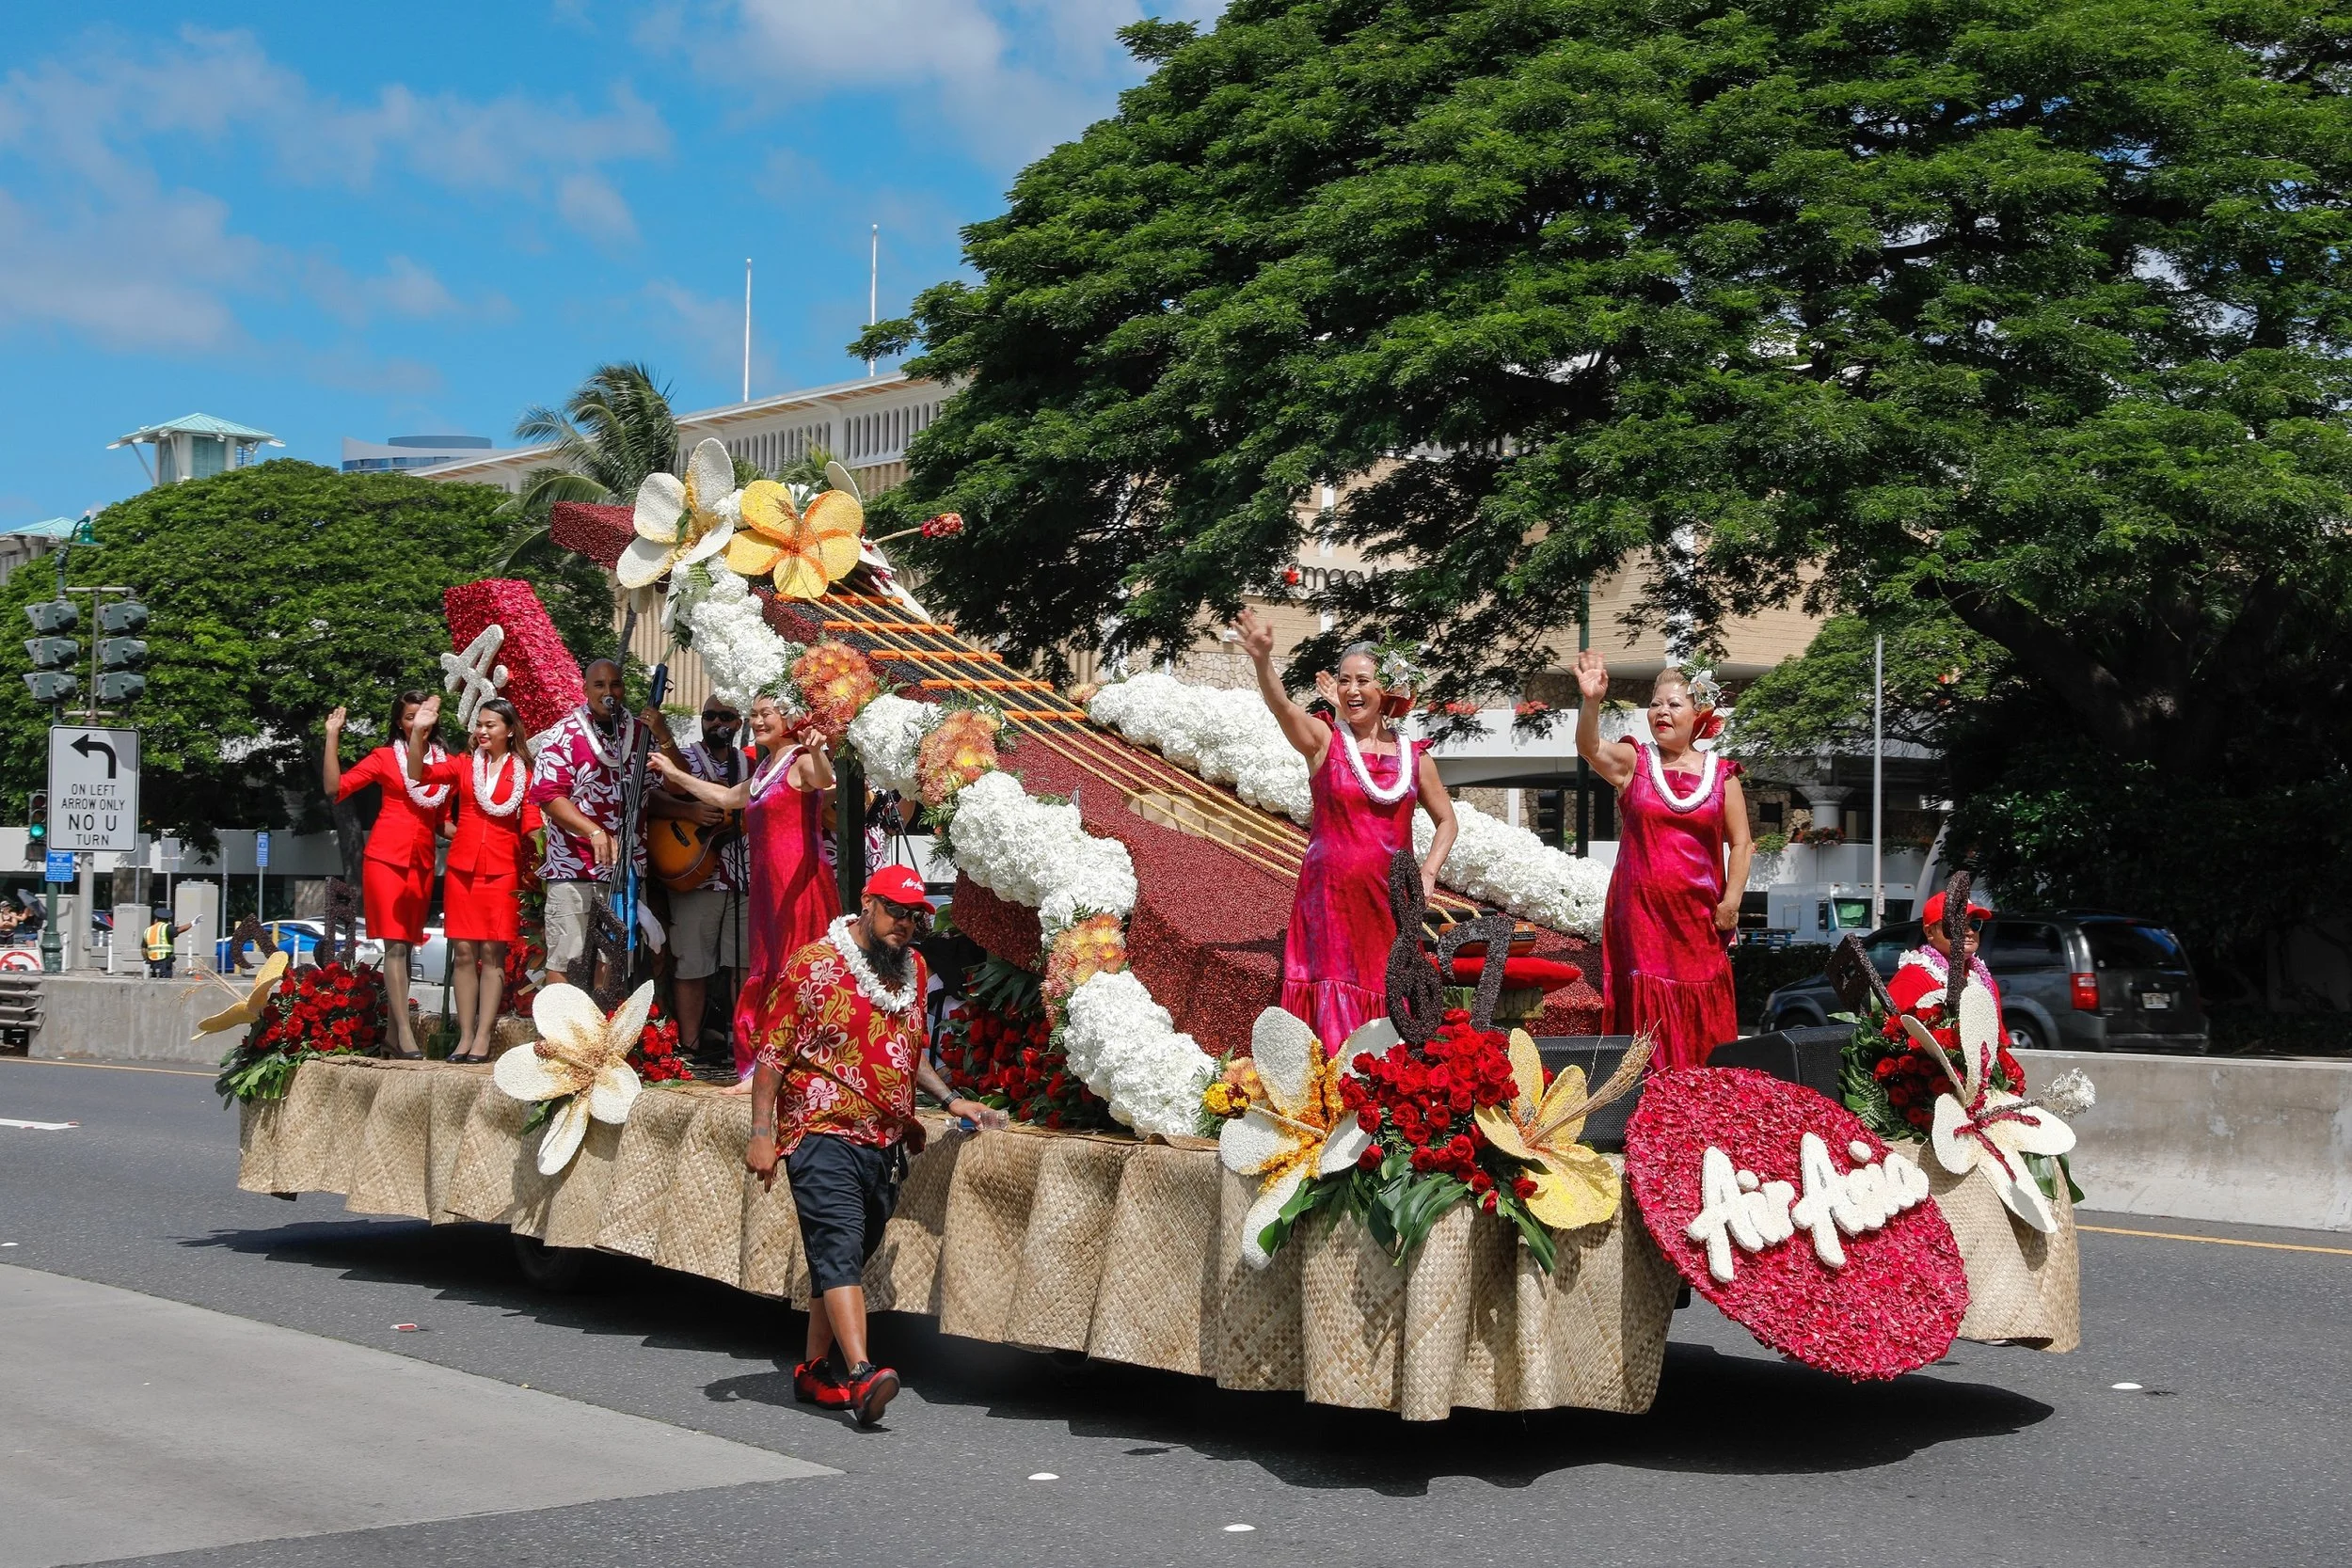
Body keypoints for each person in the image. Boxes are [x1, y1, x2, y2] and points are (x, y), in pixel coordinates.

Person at [742, 864, 1005, 1426]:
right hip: (820, 1129)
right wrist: (762, 1135)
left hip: (882, 1139)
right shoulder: (814, 965)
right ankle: (862, 1374)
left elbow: (909, 1054)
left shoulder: (913, 969)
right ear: (867, 902)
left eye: (914, 917)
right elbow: (771, 1057)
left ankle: (813, 1372)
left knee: (842, 1258)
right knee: (837, 1244)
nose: (905, 925)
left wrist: (949, 1098)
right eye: (894, 911)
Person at [1234, 608, 1458, 1056]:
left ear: (1386, 689)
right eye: (1344, 680)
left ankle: (1385, 1097)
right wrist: (1263, 659)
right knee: (1332, 988)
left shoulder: (1415, 758)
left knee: (1386, 987)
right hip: (1329, 897)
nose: (1352, 690)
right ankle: (1323, 1100)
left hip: (1392, 902)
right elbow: (1282, 706)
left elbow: (1447, 821)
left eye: (1362, 680)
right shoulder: (1324, 742)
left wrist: (1429, 872)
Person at [1573, 651, 1754, 1071]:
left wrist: (1732, 902)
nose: (1662, 712)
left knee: (1700, 997)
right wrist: (1591, 701)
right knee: (1647, 1007)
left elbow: (1742, 844)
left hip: (1700, 916)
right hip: (1641, 916)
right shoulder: (1635, 762)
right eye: (1655, 704)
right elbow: (1589, 747)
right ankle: (1645, 1100)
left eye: (1674, 704)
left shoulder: (1722, 775)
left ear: (1699, 714)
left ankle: (1702, 1101)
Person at [649, 690, 839, 1080]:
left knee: (797, 967)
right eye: (752, 715)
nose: (756, 721)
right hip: (767, 886)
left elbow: (824, 780)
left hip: (799, 884)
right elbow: (724, 796)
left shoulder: (801, 761)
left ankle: (802, 1065)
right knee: (767, 965)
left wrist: (819, 751)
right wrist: (677, 774)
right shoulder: (766, 769)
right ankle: (764, 1068)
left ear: (788, 718)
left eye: (765, 714)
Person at [405, 694, 541, 1062]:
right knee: (464, 952)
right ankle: (464, 1037)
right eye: (478, 725)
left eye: (490, 725)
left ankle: (484, 1036)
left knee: (492, 953)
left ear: (509, 731)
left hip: (502, 870)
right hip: (463, 868)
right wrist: (419, 734)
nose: (481, 731)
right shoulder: (465, 765)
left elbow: (531, 823)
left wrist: (548, 851)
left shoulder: (524, 772)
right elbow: (420, 774)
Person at [323, 691, 452, 1056]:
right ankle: (406, 1038)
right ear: (399, 722)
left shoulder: (444, 762)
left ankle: (392, 1038)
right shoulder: (384, 758)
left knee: (408, 948)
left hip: (422, 862)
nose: (416, 723)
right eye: (409, 717)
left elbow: (444, 824)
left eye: (422, 715)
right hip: (385, 859)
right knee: (395, 946)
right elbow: (336, 788)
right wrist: (333, 735)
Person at [644, 698, 751, 1066]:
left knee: (743, 966)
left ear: (739, 723)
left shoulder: (748, 763)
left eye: (725, 716)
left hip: (742, 876)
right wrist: (689, 811)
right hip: (697, 873)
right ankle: (688, 1051)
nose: (716, 721)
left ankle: (744, 1050)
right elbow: (652, 798)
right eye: (709, 715)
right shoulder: (683, 755)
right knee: (692, 966)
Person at [528, 658, 636, 984]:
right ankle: (561, 1036)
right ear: (585, 689)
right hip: (573, 866)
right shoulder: (565, 732)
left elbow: (659, 788)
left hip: (622, 870)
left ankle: (600, 1035)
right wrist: (593, 830)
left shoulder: (640, 732)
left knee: (611, 962)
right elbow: (547, 793)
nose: (608, 692)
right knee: (567, 959)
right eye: (600, 685)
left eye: (615, 684)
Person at [1885, 887, 2005, 1077]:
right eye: (1956, 925)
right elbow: (1892, 1046)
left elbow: (2000, 1045)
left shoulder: (1984, 981)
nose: (1968, 931)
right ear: (1930, 932)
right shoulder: (1912, 979)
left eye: (1974, 924)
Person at [141, 907, 192, 978]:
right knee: (165, 982)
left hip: (152, 962)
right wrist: (192, 923)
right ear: (167, 920)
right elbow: (180, 929)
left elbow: (143, 949)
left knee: (154, 981)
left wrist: (146, 960)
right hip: (164, 962)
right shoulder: (167, 927)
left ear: (156, 919)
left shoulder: (148, 930)